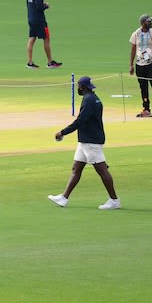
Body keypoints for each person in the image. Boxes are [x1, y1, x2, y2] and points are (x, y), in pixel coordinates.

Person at [49, 76, 121, 210]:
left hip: (90, 141)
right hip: (85, 141)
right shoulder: (94, 98)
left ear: (82, 87)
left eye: (78, 86)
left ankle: (114, 200)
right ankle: (64, 198)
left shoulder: (89, 100)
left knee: (102, 170)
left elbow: (81, 120)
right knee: (76, 169)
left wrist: (63, 132)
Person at [129, 14, 152, 118]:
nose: (151, 23)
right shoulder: (136, 34)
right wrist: (131, 64)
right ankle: (146, 109)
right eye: (148, 21)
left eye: (150, 21)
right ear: (143, 23)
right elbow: (133, 49)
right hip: (140, 64)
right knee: (143, 87)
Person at [25, 0, 61, 69]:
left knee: (31, 39)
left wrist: (41, 4)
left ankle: (30, 62)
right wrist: (46, 5)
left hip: (31, 19)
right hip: (39, 20)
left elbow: (31, 5)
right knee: (46, 39)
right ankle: (50, 62)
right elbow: (39, 7)